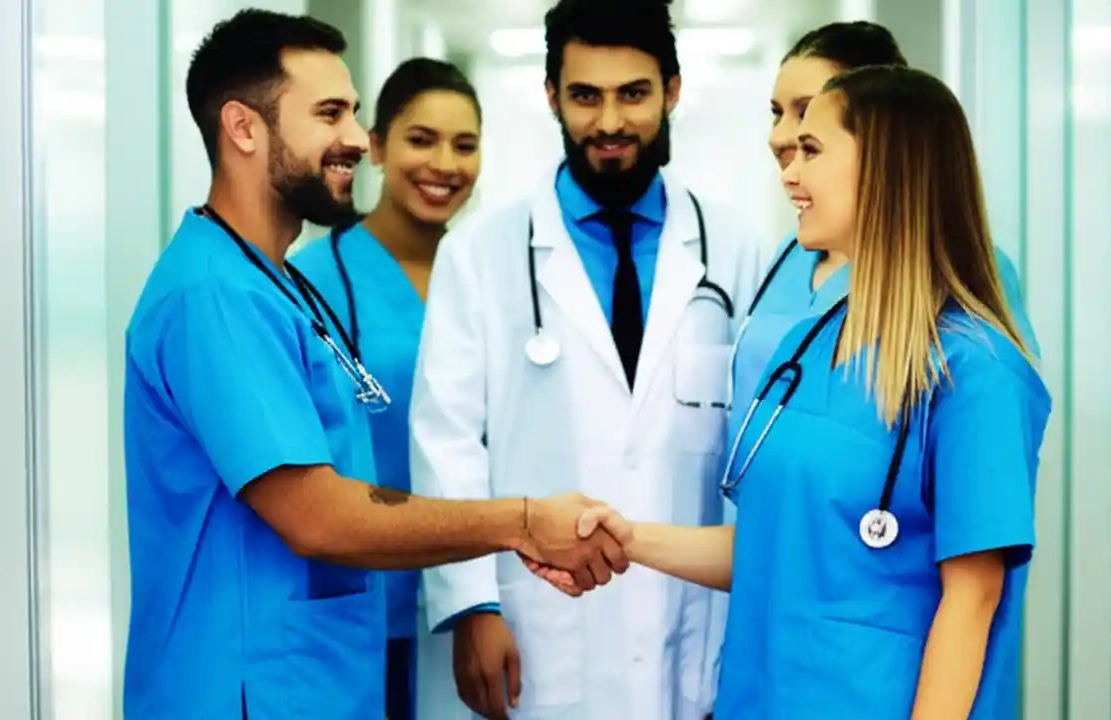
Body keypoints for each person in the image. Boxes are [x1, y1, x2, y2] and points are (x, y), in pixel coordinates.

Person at [121, 11, 626, 719]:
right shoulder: (215, 297)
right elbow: (317, 517)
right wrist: (521, 521)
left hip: (312, 679)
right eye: (330, 113)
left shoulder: (275, 283)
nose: (358, 140)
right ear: (242, 128)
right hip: (245, 686)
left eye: (355, 113)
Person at [531, 66, 1053, 719]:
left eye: (812, 151)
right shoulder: (803, 348)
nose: (789, 173)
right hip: (761, 696)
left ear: (886, 169)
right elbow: (774, 543)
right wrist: (625, 537)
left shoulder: (977, 373)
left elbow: (973, 599)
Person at [409, 0, 764, 717]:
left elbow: (753, 449)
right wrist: (471, 605)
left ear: (672, 90)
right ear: (551, 98)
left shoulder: (737, 247)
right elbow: (446, 442)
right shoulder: (480, 251)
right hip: (540, 628)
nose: (608, 123)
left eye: (632, 94)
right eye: (584, 96)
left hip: (691, 625)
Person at [290, 57, 482, 720]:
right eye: (420, 139)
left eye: (464, 144)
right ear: (376, 145)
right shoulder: (314, 280)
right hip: (375, 592)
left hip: (481, 587)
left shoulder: (496, 273)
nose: (444, 164)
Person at [739, 21, 1039, 412]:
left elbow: (994, 418)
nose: (780, 136)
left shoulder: (954, 271)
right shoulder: (789, 256)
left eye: (808, 112)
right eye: (777, 113)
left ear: (884, 133)